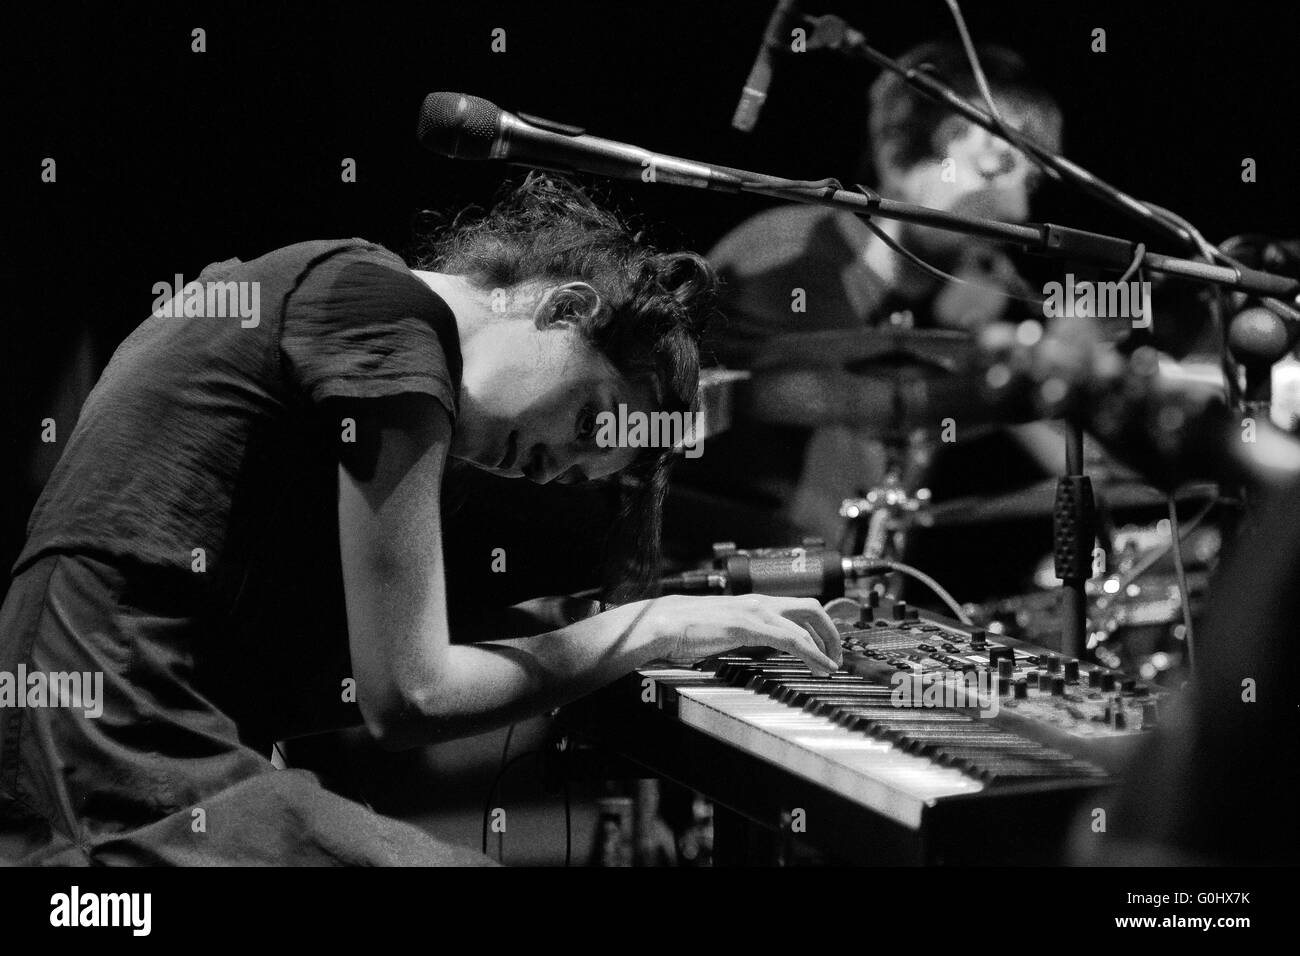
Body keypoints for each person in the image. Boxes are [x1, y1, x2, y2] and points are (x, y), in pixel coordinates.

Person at [0, 173, 842, 866]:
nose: (560, 468)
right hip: (123, 777)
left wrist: (605, 623)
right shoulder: (387, 321)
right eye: (589, 423)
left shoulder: (323, 292)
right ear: (566, 309)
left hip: (83, 757)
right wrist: (649, 626)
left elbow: (314, 670)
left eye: (589, 472)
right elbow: (411, 697)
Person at [676, 41, 1067, 596]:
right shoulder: (788, 256)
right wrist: (991, 365)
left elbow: (1075, 452)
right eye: (996, 167)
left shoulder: (977, 284)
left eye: (1028, 184)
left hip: (847, 602)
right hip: (710, 590)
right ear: (896, 153)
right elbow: (853, 399)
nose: (1019, 213)